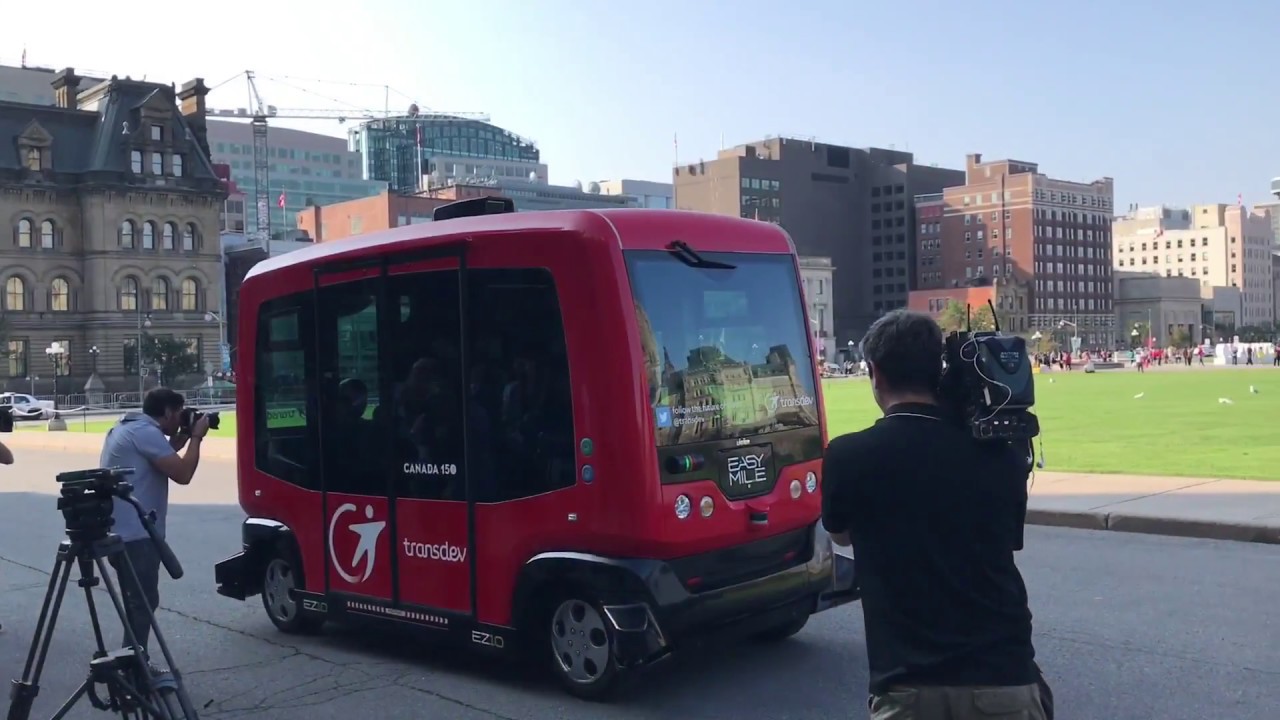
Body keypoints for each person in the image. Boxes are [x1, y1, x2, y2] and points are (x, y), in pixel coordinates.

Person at [821, 310, 1048, 720]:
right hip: (1004, 677)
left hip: (908, 686)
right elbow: (1008, 538)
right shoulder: (1001, 453)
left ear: (875, 373)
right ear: (936, 370)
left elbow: (840, 535)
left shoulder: (848, 456)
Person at [99, 388, 209, 657]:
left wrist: (179, 441)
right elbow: (183, 474)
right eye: (180, 413)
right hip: (136, 535)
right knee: (143, 602)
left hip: (120, 531)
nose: (181, 419)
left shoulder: (127, 428)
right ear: (168, 412)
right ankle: (136, 665)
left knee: (137, 602)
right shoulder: (146, 433)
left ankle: (133, 660)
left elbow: (154, 460)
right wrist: (196, 437)